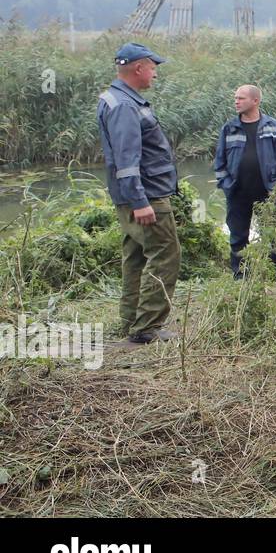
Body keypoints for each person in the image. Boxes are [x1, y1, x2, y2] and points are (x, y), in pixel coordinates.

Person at [96, 42, 181, 344]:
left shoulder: (119, 99)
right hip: (146, 197)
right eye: (154, 67)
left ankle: (130, 319)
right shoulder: (125, 106)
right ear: (139, 68)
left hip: (135, 195)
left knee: (135, 257)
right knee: (165, 255)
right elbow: (127, 159)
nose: (156, 74)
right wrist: (140, 201)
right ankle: (147, 328)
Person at [213, 84, 276, 277]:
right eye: (235, 98)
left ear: (255, 101)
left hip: (267, 192)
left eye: (241, 98)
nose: (236, 101)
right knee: (238, 236)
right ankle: (241, 275)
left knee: (271, 234)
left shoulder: (273, 127)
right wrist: (226, 185)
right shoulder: (229, 128)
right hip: (237, 193)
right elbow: (219, 161)